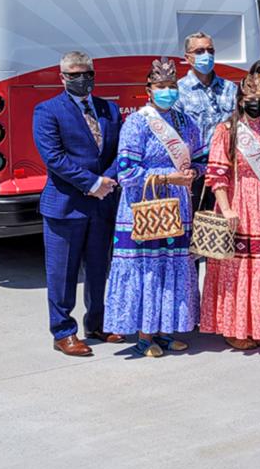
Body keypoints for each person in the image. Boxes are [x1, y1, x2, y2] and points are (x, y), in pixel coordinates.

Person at [104, 58, 203, 357]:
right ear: (148, 90)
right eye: (161, 86)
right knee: (147, 268)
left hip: (178, 205)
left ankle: (166, 331)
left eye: (172, 86)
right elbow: (126, 173)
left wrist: (194, 172)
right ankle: (145, 335)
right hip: (145, 204)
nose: (167, 91)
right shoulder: (137, 122)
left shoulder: (185, 122)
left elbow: (201, 157)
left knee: (171, 265)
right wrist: (168, 178)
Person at [33, 51, 123, 357]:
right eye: (74, 75)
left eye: (87, 74)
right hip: (66, 206)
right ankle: (63, 332)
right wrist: (93, 183)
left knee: (99, 269)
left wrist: (107, 181)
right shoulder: (47, 111)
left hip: (102, 204)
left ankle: (97, 323)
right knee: (63, 273)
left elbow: (119, 151)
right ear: (62, 77)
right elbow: (54, 157)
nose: (81, 79)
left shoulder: (110, 109)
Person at [199, 64, 260, 350]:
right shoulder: (227, 131)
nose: (256, 104)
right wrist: (226, 208)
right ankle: (236, 327)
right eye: (251, 100)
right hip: (238, 201)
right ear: (240, 101)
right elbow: (217, 174)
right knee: (237, 267)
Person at [175, 32, 236, 208]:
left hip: (226, 170)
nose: (206, 55)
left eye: (210, 50)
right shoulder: (179, 90)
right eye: (199, 51)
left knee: (226, 220)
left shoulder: (230, 88)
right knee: (195, 221)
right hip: (194, 172)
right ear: (188, 57)